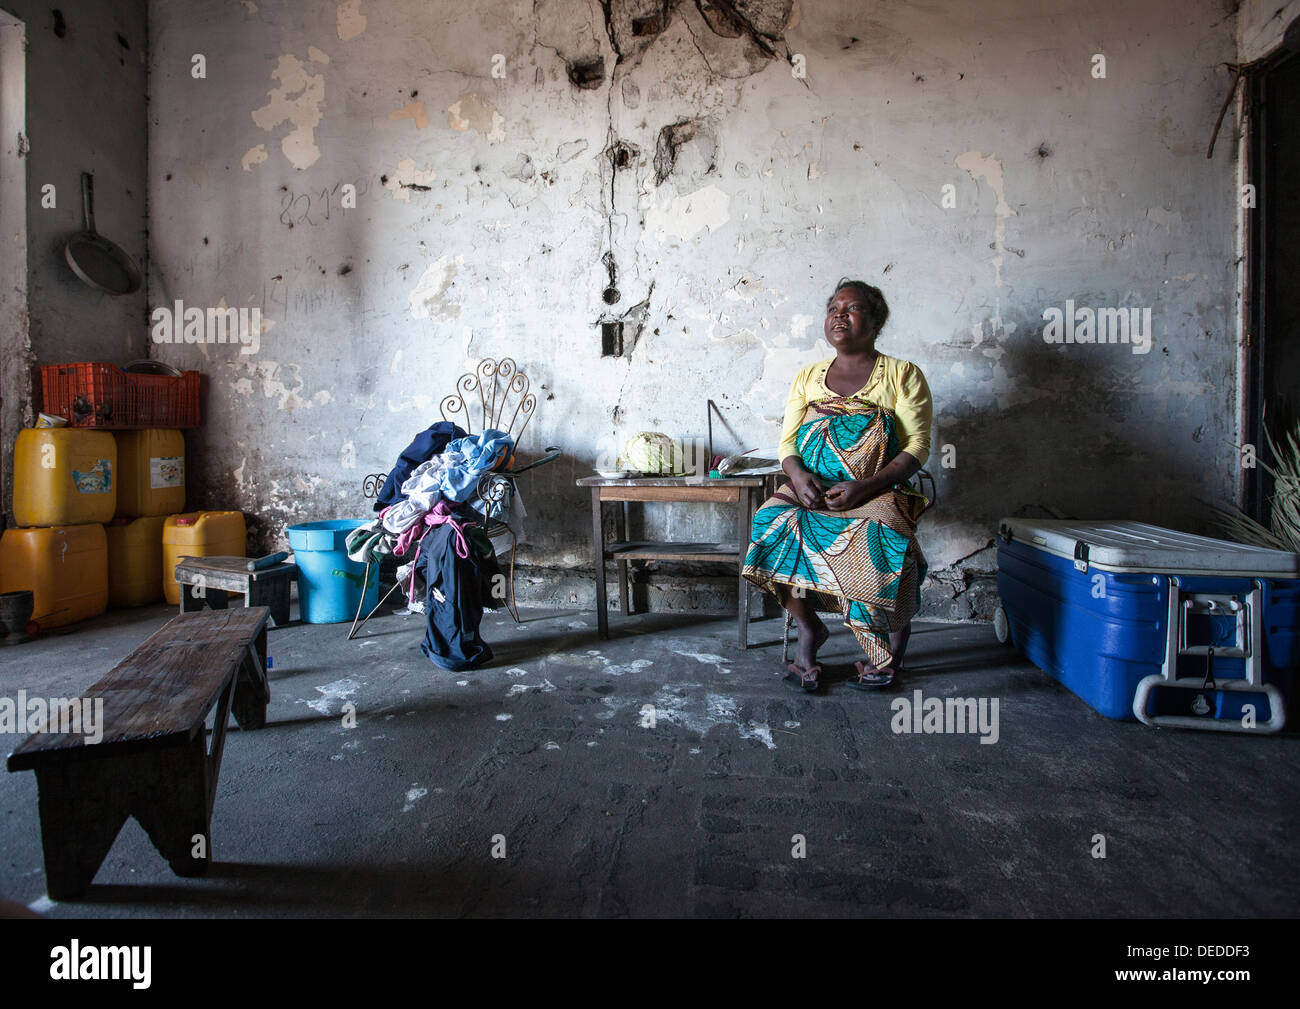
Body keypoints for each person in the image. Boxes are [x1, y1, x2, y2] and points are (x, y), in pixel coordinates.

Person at [742, 279, 933, 692]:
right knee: (770, 524)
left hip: (878, 489)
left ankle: (884, 650)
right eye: (833, 308)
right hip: (811, 486)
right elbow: (788, 443)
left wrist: (866, 487)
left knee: (878, 538)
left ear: (876, 320)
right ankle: (811, 631)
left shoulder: (902, 375)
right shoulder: (807, 376)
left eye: (853, 308)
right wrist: (797, 474)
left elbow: (918, 445)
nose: (839, 315)